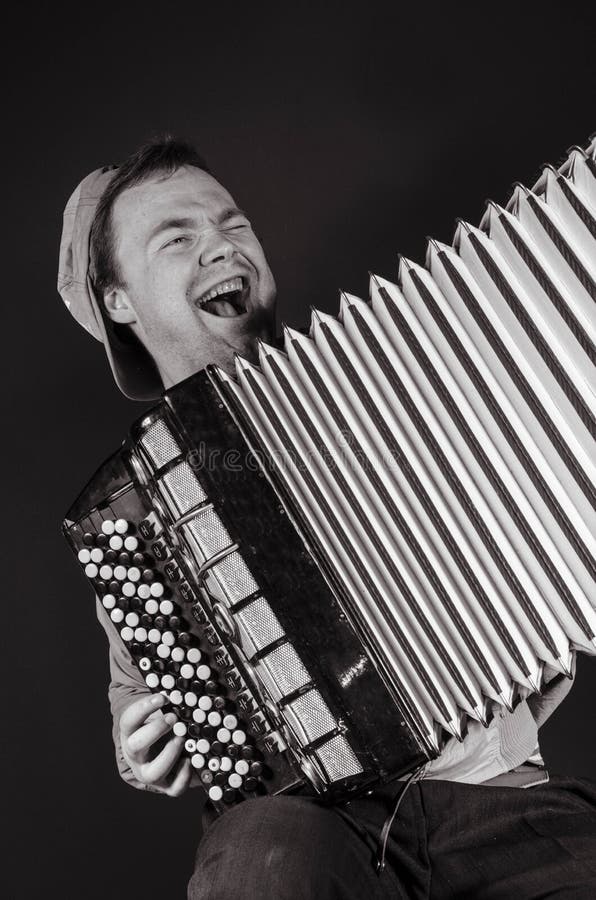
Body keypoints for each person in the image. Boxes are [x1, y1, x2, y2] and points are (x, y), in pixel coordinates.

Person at [58, 137, 596, 898]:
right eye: (177, 238)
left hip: (499, 799)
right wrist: (141, 745)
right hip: (304, 826)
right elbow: (135, 705)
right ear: (119, 300)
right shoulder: (140, 516)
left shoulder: (404, 374)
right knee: (259, 865)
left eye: (232, 224)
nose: (219, 245)